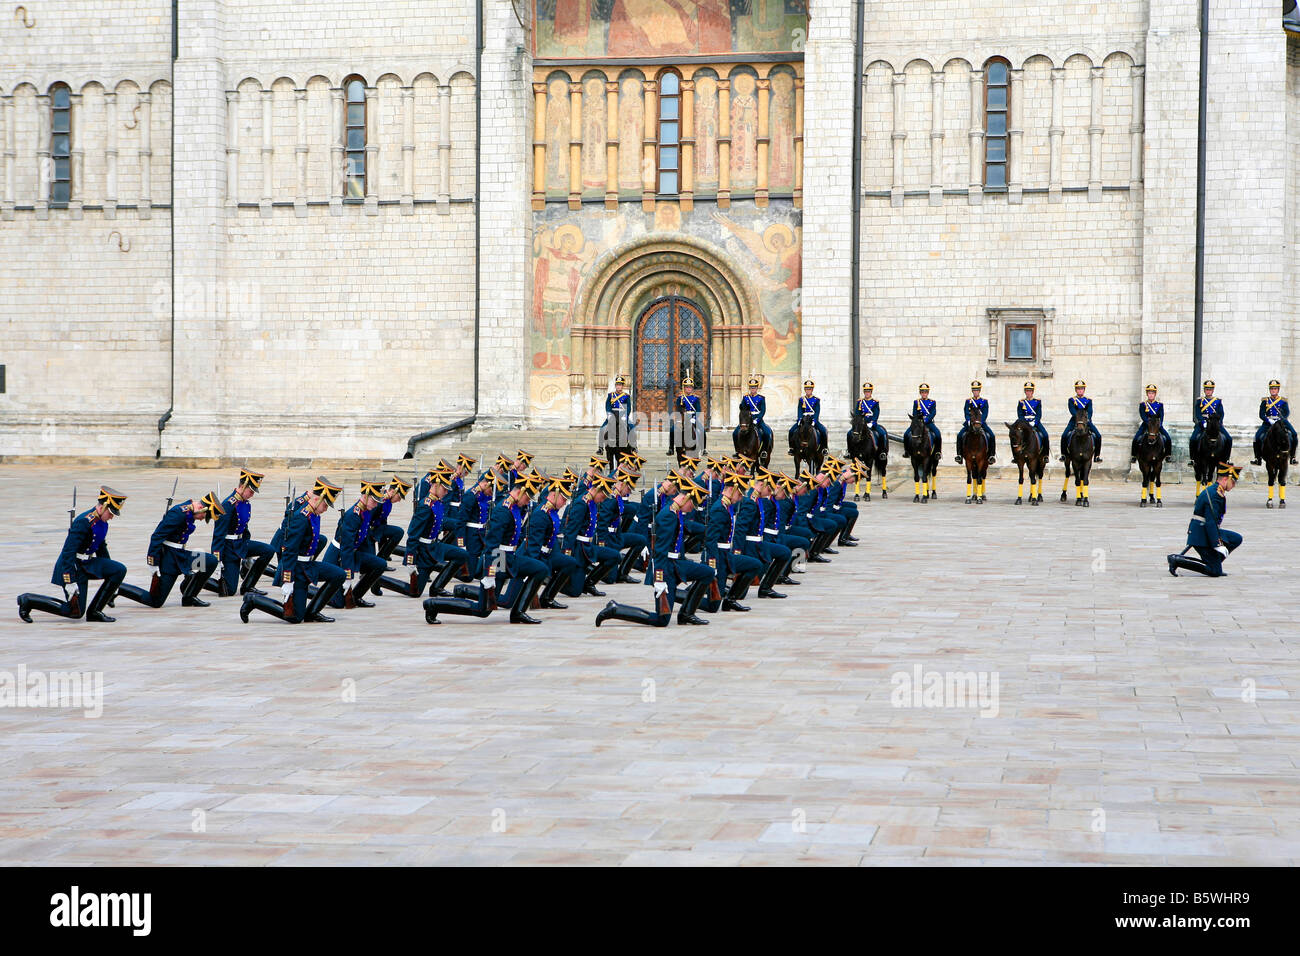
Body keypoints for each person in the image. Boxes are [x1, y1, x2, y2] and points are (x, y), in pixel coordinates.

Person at [594, 478, 716, 627]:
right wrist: (659, 580)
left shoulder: (675, 512)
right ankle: (615, 610)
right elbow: (660, 551)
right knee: (661, 620)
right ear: (686, 498)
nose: (692, 509)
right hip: (665, 569)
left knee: (707, 573)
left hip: (675, 564)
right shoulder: (668, 516)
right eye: (692, 504)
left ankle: (687, 614)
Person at [240, 477, 346, 623]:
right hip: (296, 570)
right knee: (295, 617)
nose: (326, 508)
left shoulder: (313, 514)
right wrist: (288, 580)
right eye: (325, 504)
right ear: (316, 500)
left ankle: (313, 612)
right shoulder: (300, 518)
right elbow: (289, 550)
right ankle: (253, 600)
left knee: (339, 575)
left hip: (308, 566)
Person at [18, 486, 129, 623]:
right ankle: (28, 600)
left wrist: (112, 582)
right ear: (102, 507)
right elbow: (68, 552)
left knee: (119, 569)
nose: (112, 516)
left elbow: (101, 547)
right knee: (75, 612)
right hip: (73, 565)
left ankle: (95, 612)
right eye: (111, 512)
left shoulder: (102, 522)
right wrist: (69, 580)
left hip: (87, 563)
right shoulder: (84, 521)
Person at [117, 491, 225, 609]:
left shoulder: (189, 511)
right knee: (156, 601)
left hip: (180, 555)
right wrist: (153, 562)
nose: (201, 519)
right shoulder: (178, 513)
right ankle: (117, 588)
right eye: (203, 516)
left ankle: (189, 597)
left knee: (210, 561)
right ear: (200, 508)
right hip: (168, 559)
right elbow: (157, 536)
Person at [379, 466, 467, 598]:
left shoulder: (437, 502)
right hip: (423, 552)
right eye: (444, 488)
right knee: (414, 592)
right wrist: (411, 561)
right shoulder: (425, 506)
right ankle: (378, 580)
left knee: (462, 555)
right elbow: (413, 535)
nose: (446, 492)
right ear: (436, 485)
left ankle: (437, 587)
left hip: (435, 546)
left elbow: (439, 523)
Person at [321, 479, 391, 609]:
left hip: (353, 553)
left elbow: (364, 537)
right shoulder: (353, 515)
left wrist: (368, 561)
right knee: (338, 603)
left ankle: (356, 596)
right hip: (338, 556)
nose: (376, 505)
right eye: (374, 501)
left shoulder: (367, 510)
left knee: (380, 564)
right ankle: (314, 594)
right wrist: (348, 576)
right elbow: (345, 548)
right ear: (365, 496)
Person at [206, 468, 275, 598]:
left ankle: (248, 586)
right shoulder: (228, 504)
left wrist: (248, 550)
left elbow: (244, 527)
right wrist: (217, 559)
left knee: (268, 550)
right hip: (228, 549)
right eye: (251, 491)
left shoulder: (245, 503)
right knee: (230, 590)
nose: (252, 494)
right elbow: (218, 534)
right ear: (242, 487)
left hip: (241, 543)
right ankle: (196, 579)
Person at [1168, 463, 1242, 578]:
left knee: (1236, 539)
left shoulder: (1217, 491)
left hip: (1207, 531)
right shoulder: (1214, 494)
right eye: (1233, 482)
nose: (1233, 485)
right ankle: (1177, 560)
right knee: (1215, 572)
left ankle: (1214, 562)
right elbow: (1211, 521)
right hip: (1201, 534)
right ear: (1225, 479)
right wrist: (1217, 544)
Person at [1252, 379, 1298, 465]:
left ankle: (1292, 457)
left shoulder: (1283, 401)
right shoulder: (1265, 401)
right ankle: (1257, 458)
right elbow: (1261, 414)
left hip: (1281, 421)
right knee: (1256, 437)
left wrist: (1280, 419)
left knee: (1294, 434)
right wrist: (1268, 420)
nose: (1273, 390)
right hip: (1268, 422)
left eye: (1275, 389)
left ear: (1278, 390)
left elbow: (1287, 412)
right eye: (1272, 389)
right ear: (1270, 390)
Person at [1060, 379, 1103, 463]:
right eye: (1078, 388)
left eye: (1081, 388)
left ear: (1084, 390)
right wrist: (1078, 419)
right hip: (1075, 421)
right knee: (1064, 435)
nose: (1080, 390)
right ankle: (1064, 455)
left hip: (1086, 421)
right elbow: (1072, 411)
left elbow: (1090, 411)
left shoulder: (1088, 400)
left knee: (1098, 435)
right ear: (1076, 390)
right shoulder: (1071, 400)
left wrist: (1087, 419)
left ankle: (1097, 456)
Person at [954, 380, 997, 465]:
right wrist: (968, 420)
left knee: (992, 435)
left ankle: (991, 455)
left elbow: (985, 413)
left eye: (977, 390)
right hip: (970, 423)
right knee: (959, 435)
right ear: (972, 391)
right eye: (974, 390)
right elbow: (966, 412)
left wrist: (980, 421)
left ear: (979, 391)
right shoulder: (968, 401)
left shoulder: (984, 401)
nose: (975, 392)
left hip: (981, 422)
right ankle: (959, 455)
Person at [1189, 379, 1230, 465]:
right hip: (1202, 424)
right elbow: (1197, 413)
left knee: (1229, 438)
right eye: (1207, 389)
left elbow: (1221, 413)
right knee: (1193, 439)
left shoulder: (1217, 401)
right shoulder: (1200, 401)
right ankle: (1192, 458)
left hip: (1215, 424)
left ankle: (1226, 459)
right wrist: (1202, 421)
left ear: (1213, 390)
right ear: (1204, 390)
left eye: (1210, 389)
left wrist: (1219, 422)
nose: (1208, 391)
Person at [1130, 384, 1173, 463]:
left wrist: (1160, 424)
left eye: (1152, 393)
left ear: (1155, 394)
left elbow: (1161, 415)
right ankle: (1134, 456)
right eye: (1149, 393)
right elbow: (1143, 415)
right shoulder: (1143, 405)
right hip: (1147, 424)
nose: (1151, 395)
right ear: (1147, 394)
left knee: (1168, 438)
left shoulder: (1159, 405)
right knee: (1136, 439)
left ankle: (1168, 455)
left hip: (1156, 425)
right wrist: (1148, 423)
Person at [734, 376, 773, 457]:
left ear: (757, 388)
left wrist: (757, 420)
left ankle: (764, 451)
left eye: (754, 387)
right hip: (747, 420)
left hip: (757, 419)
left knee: (767, 432)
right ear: (749, 388)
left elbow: (763, 411)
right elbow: (742, 409)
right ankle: (737, 451)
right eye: (751, 388)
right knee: (735, 433)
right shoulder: (745, 398)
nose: (752, 389)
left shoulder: (761, 398)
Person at [788, 379, 827, 451]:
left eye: (809, 389)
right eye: (806, 389)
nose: (808, 390)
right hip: (803, 419)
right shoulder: (801, 399)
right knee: (791, 431)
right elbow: (799, 410)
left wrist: (814, 420)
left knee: (823, 431)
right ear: (804, 390)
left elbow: (817, 411)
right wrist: (799, 419)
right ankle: (791, 448)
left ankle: (824, 448)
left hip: (812, 419)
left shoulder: (816, 400)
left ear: (812, 390)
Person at [669, 375, 704, 456]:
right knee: (672, 430)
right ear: (684, 388)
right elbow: (678, 410)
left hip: (692, 418)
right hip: (682, 418)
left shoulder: (696, 399)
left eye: (690, 387)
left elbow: (698, 410)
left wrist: (694, 418)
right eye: (687, 387)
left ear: (692, 388)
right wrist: (678, 419)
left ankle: (703, 448)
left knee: (702, 430)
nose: (689, 389)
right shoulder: (680, 398)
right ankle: (671, 448)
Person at [851, 382, 888, 456]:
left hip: (871, 424)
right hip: (861, 424)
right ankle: (849, 451)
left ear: (871, 392)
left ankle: (883, 452)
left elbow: (876, 414)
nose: (867, 393)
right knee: (849, 434)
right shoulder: (860, 402)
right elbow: (857, 414)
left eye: (868, 391)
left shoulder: (875, 402)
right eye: (865, 391)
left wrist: (872, 423)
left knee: (882, 433)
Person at [1017, 382, 1050, 452]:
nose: (1028, 392)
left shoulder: (1037, 402)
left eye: (1030, 391)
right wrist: (1024, 423)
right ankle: (1015, 455)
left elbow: (1039, 414)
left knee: (1045, 435)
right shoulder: (1021, 402)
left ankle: (1045, 454)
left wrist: (1034, 422)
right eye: (1027, 390)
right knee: (1015, 435)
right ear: (1025, 391)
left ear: (1032, 391)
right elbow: (1020, 414)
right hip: (1024, 423)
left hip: (1035, 422)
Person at [605, 374, 636, 441]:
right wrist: (609, 415)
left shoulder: (626, 396)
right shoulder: (611, 395)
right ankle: (600, 448)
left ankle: (634, 446)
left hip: (623, 414)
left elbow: (628, 408)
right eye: (617, 385)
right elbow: (608, 406)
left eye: (620, 385)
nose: (618, 386)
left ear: (622, 386)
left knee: (632, 427)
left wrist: (625, 415)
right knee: (602, 428)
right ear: (615, 386)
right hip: (613, 413)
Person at [912, 384, 942, 453]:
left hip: (928, 423)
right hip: (919, 423)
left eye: (925, 392)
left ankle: (938, 452)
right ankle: (907, 451)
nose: (924, 394)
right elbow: (914, 413)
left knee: (938, 434)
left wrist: (926, 420)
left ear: (928, 393)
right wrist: (918, 421)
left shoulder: (932, 402)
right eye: (922, 392)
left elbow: (933, 413)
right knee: (906, 434)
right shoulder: (916, 402)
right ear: (920, 393)